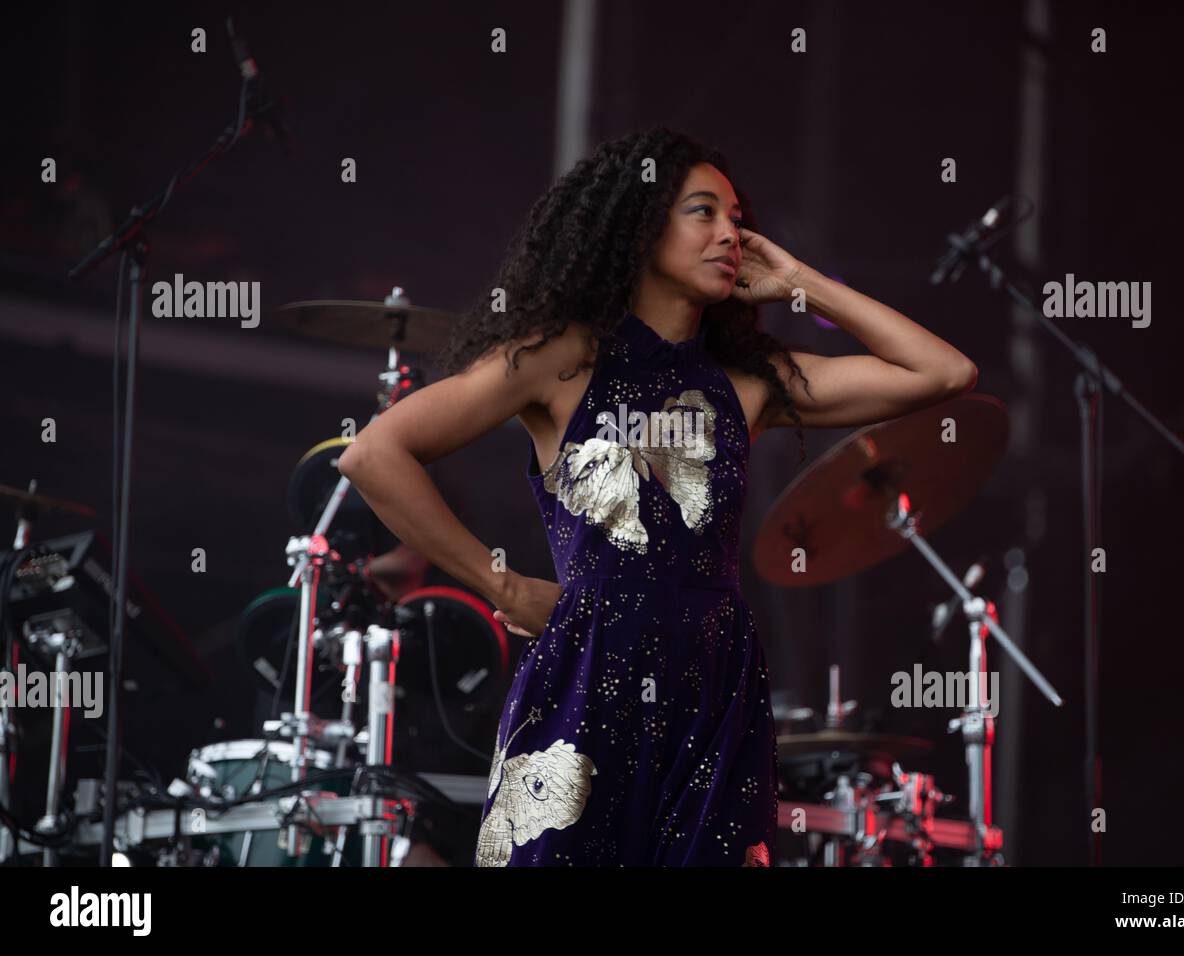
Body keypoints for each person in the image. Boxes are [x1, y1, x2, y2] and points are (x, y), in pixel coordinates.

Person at [339, 127, 976, 867]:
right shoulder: (564, 357)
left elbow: (946, 374)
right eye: (702, 212)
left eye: (737, 219)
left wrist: (800, 278)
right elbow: (374, 453)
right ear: (639, 230)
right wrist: (500, 583)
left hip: (714, 683)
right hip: (589, 669)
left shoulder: (749, 383)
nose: (730, 235)